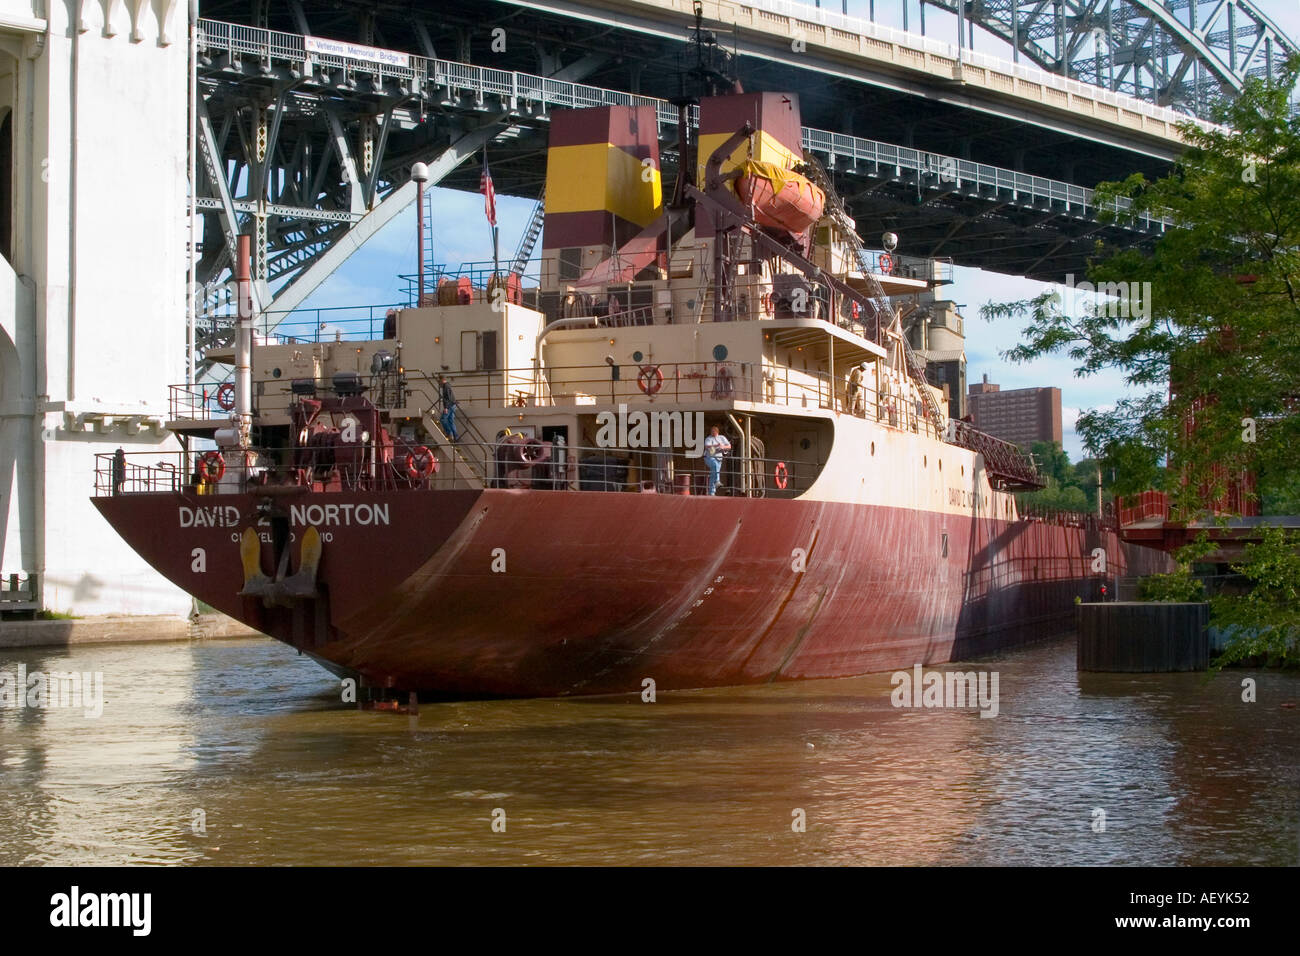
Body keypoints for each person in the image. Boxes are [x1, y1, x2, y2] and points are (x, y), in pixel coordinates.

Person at [704, 426, 731, 496]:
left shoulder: (722, 438)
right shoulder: (708, 439)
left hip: (719, 458)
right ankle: (717, 481)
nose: (712, 433)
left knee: (713, 474)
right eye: (711, 431)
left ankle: (711, 492)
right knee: (714, 465)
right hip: (709, 457)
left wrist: (723, 447)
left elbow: (729, 446)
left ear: (717, 432)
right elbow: (707, 446)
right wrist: (717, 445)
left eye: (714, 431)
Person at [438, 375, 459, 441]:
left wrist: (446, 408)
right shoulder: (448, 385)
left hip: (449, 405)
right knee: (451, 421)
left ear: (442, 380)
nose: (438, 383)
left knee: (443, 419)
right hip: (453, 404)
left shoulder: (445, 386)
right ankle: (456, 437)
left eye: (439, 381)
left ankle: (449, 433)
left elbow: (447, 397)